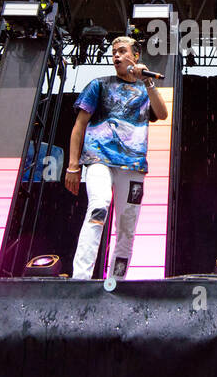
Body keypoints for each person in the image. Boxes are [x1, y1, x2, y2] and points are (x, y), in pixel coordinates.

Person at [65, 36, 167, 280]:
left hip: (132, 165)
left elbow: (162, 114)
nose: (117, 57)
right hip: (99, 159)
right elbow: (79, 126)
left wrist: (149, 83)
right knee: (98, 206)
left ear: (136, 56)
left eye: (122, 51)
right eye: (114, 53)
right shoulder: (98, 84)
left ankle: (117, 281)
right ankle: (81, 278)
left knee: (127, 227)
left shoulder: (145, 88)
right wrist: (72, 165)